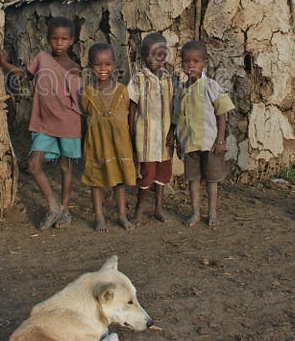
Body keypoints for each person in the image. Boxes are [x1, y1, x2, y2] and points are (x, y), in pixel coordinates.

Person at [0, 16, 81, 230]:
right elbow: (25, 75)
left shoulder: (73, 69)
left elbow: (79, 102)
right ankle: (53, 206)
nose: (59, 43)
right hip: (45, 123)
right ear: (48, 39)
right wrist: (4, 64)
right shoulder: (42, 58)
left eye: (64, 39)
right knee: (33, 164)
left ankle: (65, 210)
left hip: (68, 123)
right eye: (55, 38)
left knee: (65, 167)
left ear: (72, 41)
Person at [173, 40, 235, 227]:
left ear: (204, 63)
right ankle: (195, 212)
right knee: (193, 179)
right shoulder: (181, 89)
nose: (190, 65)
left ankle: (212, 212)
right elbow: (178, 117)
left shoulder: (210, 86)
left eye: (196, 61)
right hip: (190, 143)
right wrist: (176, 138)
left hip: (209, 143)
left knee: (211, 179)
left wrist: (220, 140)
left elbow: (222, 113)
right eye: (186, 61)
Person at [81, 43, 137, 232]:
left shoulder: (122, 91)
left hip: (118, 144)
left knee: (119, 180)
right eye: (98, 65)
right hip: (97, 144)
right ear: (90, 66)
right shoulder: (87, 93)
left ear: (114, 64)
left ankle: (121, 215)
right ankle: (99, 217)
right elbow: (85, 117)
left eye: (107, 64)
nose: (103, 69)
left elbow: (127, 115)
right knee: (96, 180)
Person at [128, 33, 175, 224]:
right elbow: (132, 108)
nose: (152, 59)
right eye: (148, 55)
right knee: (147, 174)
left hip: (164, 137)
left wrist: (172, 130)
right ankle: (139, 210)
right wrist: (131, 134)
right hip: (145, 137)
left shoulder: (168, 78)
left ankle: (158, 209)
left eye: (158, 55)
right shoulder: (138, 79)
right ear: (142, 56)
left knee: (163, 174)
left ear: (164, 55)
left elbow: (173, 107)